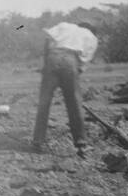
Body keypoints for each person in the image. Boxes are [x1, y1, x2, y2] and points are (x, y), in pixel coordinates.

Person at [32, 20, 98, 155]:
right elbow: (85, 60)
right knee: (74, 103)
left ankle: (38, 141)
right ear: (91, 29)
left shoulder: (64, 26)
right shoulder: (91, 36)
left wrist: (46, 64)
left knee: (44, 102)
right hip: (70, 60)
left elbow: (47, 40)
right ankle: (81, 144)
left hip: (52, 57)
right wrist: (74, 77)